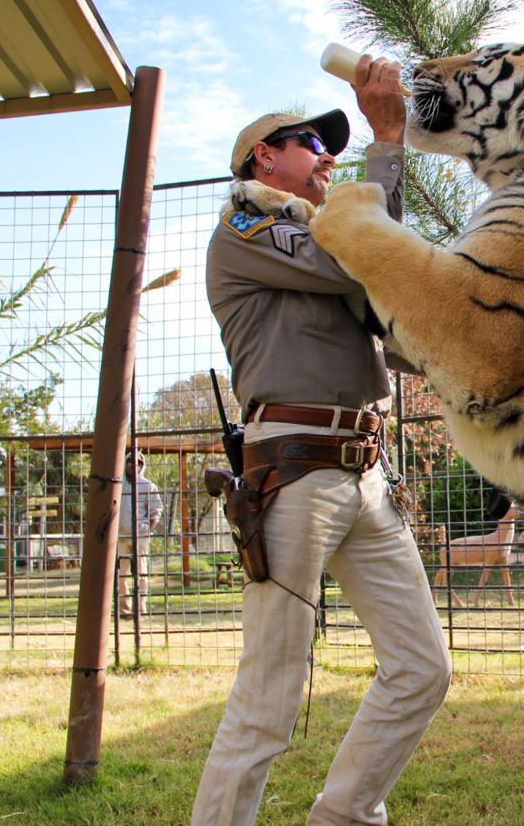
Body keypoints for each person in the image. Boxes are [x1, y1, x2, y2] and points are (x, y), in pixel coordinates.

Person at [192, 54, 451, 826]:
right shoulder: (247, 224)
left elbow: (394, 302)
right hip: (295, 472)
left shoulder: (325, 240)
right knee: (270, 694)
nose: (327, 154)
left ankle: (341, 816)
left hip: (368, 473)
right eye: (309, 140)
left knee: (422, 670)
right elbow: (364, 258)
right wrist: (387, 141)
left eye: (331, 144)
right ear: (262, 158)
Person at [118, 451, 162, 619]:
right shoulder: (118, 484)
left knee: (141, 574)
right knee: (121, 575)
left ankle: (140, 608)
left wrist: (148, 528)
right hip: (120, 536)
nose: (133, 465)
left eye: (138, 462)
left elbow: (156, 510)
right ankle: (125, 609)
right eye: (130, 461)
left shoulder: (147, 485)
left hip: (140, 536)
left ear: (142, 466)